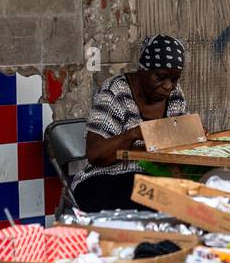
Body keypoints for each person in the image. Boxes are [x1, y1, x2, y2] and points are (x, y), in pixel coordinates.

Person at [72, 35, 188, 212]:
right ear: (143, 70)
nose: (168, 86)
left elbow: (180, 139)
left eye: (174, 80)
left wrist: (192, 133)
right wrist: (133, 134)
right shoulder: (116, 92)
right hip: (106, 179)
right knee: (158, 199)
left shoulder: (174, 94)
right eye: (161, 77)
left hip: (154, 177)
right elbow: (95, 154)